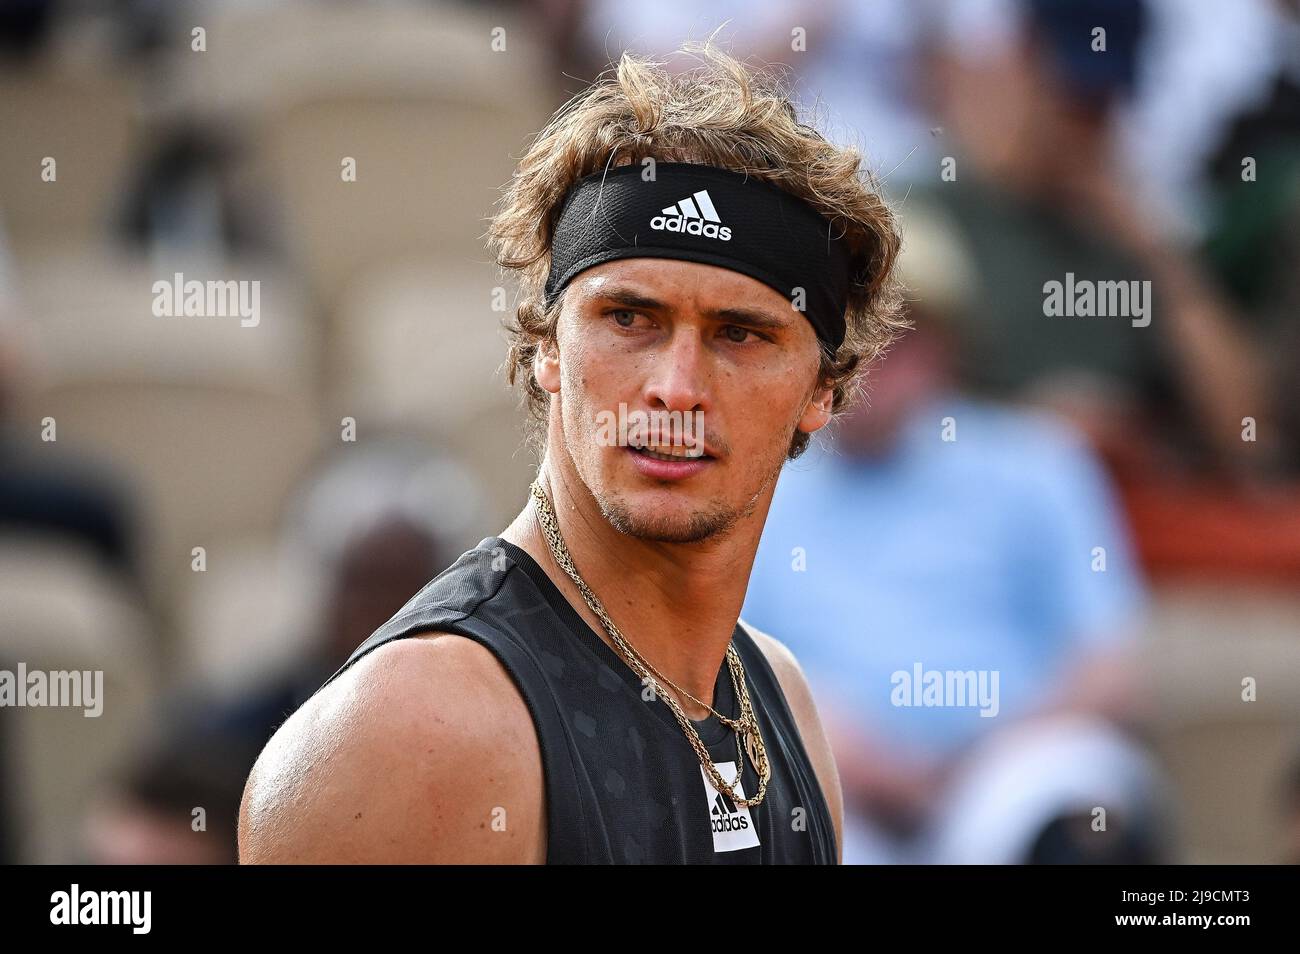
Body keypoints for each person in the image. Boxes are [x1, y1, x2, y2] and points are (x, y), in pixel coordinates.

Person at [238, 41, 907, 864]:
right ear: (547, 346)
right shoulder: (412, 731)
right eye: (629, 318)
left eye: (740, 333)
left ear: (823, 391)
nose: (674, 387)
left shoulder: (781, 703)